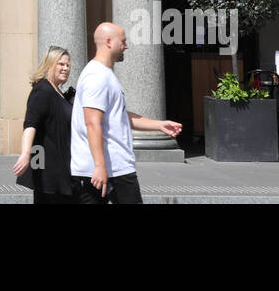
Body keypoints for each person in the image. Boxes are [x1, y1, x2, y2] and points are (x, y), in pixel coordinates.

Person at [69, 22, 182, 204]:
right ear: (108, 42)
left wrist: (159, 125)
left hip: (114, 167)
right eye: (123, 41)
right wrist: (99, 165)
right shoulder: (96, 76)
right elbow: (92, 123)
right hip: (106, 170)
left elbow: (118, 116)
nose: (126, 46)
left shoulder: (104, 74)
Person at [12, 45, 75, 204]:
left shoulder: (58, 92)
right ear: (49, 64)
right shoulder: (42, 90)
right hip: (48, 170)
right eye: (61, 64)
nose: (65, 68)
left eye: (68, 65)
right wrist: (26, 153)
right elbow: (30, 124)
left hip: (61, 168)